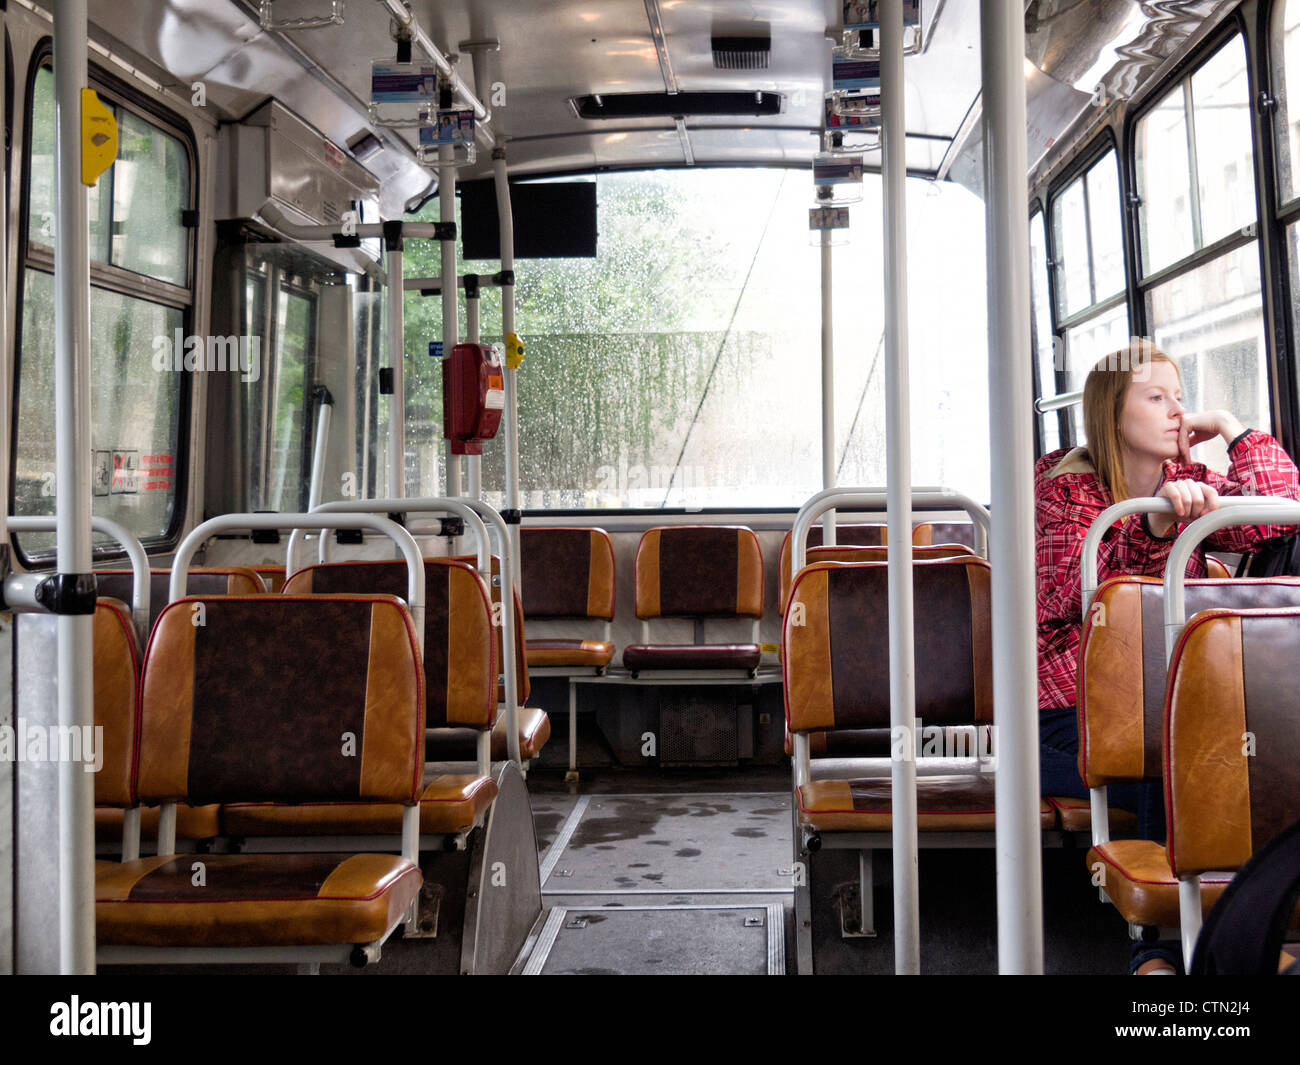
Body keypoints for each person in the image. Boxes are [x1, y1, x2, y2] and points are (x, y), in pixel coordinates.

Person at [1034, 340, 1300, 973]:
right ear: (1111, 415)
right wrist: (1152, 530)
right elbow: (1071, 588)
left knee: (1231, 746)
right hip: (1067, 722)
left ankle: (1246, 930)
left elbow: (1281, 513)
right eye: (1156, 398)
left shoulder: (1185, 485)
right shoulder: (1065, 492)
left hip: (1160, 708)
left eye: (1180, 397)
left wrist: (1234, 432)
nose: (1177, 411)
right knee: (1175, 752)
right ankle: (1167, 953)